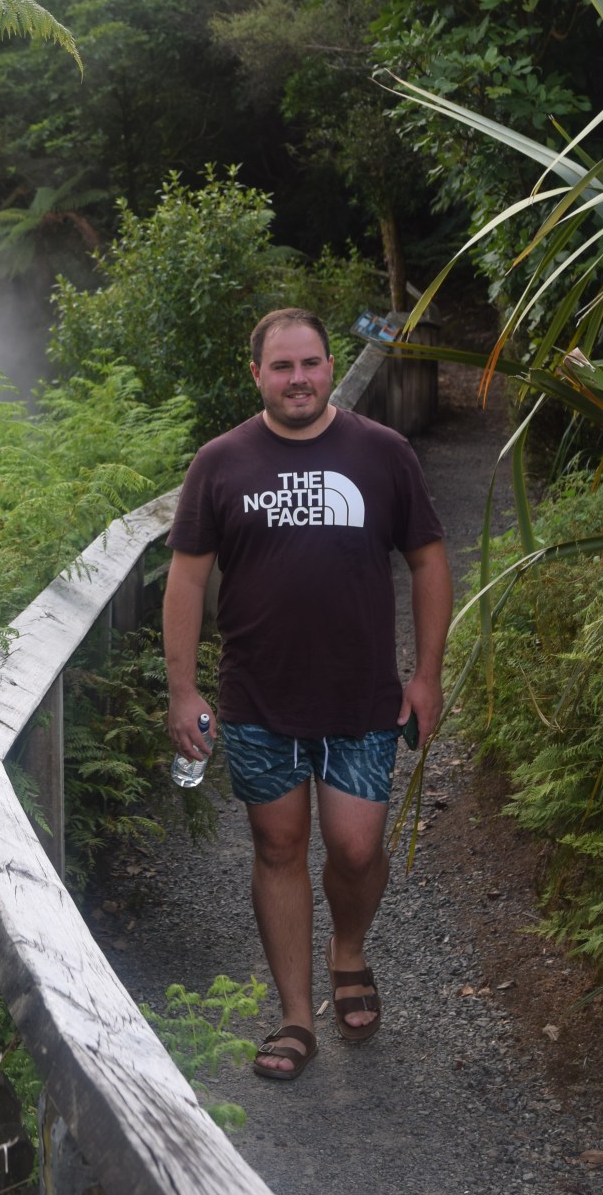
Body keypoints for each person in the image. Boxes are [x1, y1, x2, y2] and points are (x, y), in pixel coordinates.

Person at [163, 306, 452, 1082]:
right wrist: (182, 685)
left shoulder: (382, 453)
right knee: (278, 846)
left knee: (357, 849)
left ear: (331, 366)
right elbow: (187, 576)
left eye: (312, 363)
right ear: (255, 372)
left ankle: (347, 947)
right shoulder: (220, 463)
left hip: (362, 697)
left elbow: (428, 560)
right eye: (282, 366)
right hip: (259, 698)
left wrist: (426, 674)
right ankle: (295, 1014)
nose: (299, 378)